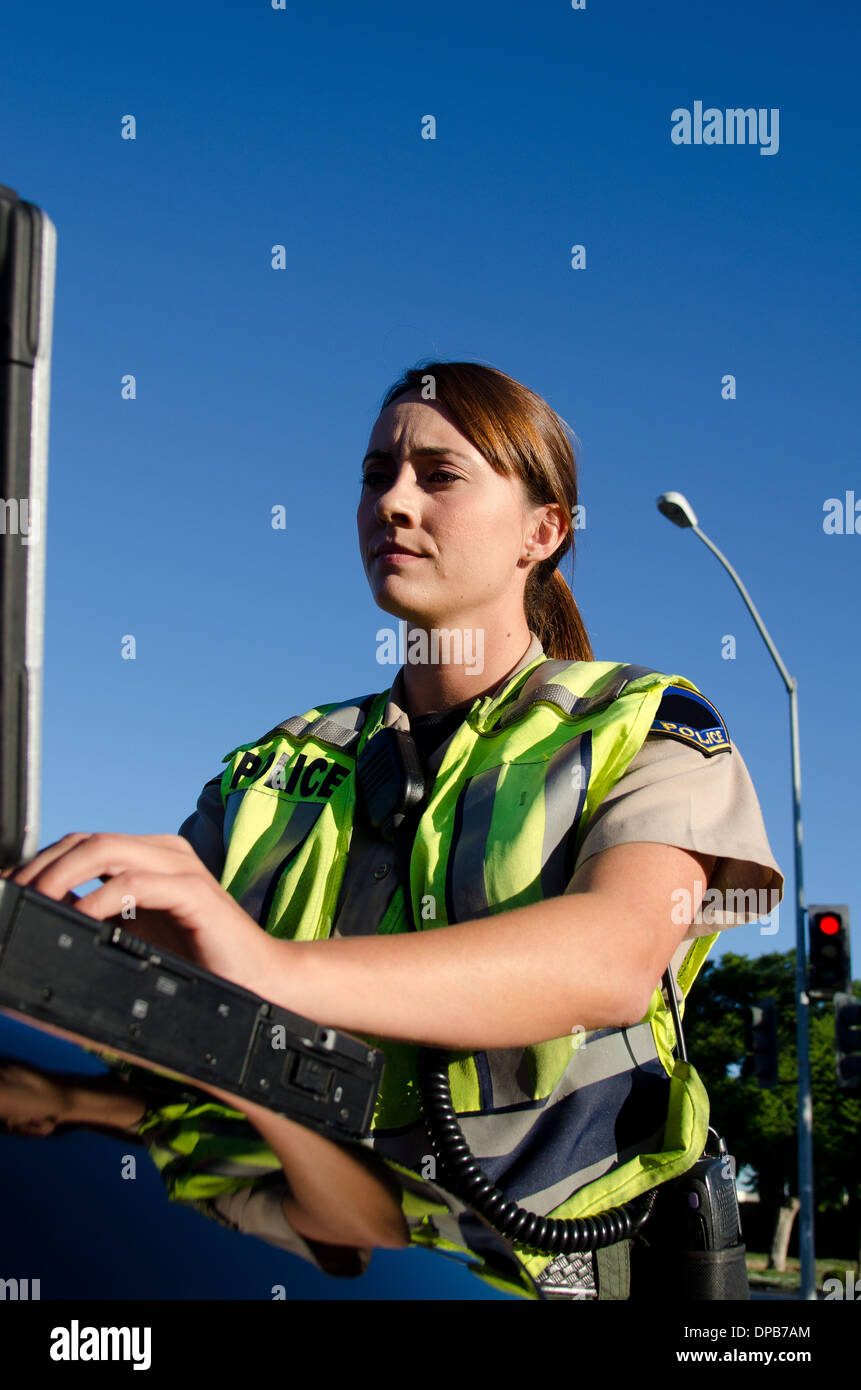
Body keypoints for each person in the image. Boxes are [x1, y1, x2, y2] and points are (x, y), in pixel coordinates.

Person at [0, 360, 784, 1300]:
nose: (394, 504)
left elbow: (610, 961)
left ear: (544, 530)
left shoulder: (642, 720)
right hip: (343, 1255)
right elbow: (179, 1021)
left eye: (439, 475)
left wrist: (268, 969)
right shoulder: (275, 765)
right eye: (377, 475)